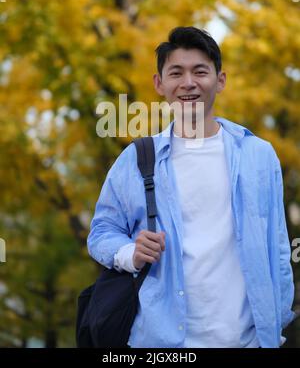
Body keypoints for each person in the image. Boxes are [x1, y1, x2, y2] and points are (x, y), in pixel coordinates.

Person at [87, 26, 296, 348]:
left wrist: (276, 322)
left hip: (249, 340)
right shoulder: (138, 158)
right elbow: (102, 231)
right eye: (176, 73)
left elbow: (278, 247)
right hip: (161, 341)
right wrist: (130, 252)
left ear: (220, 80)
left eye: (200, 71)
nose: (188, 83)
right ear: (160, 84)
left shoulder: (258, 155)